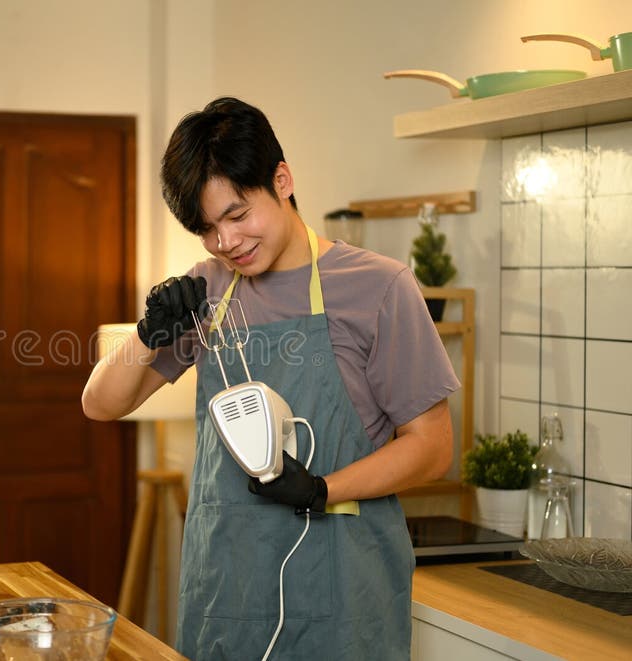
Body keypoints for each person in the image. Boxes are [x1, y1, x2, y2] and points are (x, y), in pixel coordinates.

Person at [81, 97, 457, 660]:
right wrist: (148, 331)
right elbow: (101, 404)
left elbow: (433, 449)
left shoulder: (378, 287)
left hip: (343, 598)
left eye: (236, 216)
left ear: (282, 180)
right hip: (226, 594)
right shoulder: (207, 290)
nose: (225, 243)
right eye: (207, 229)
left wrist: (324, 491)